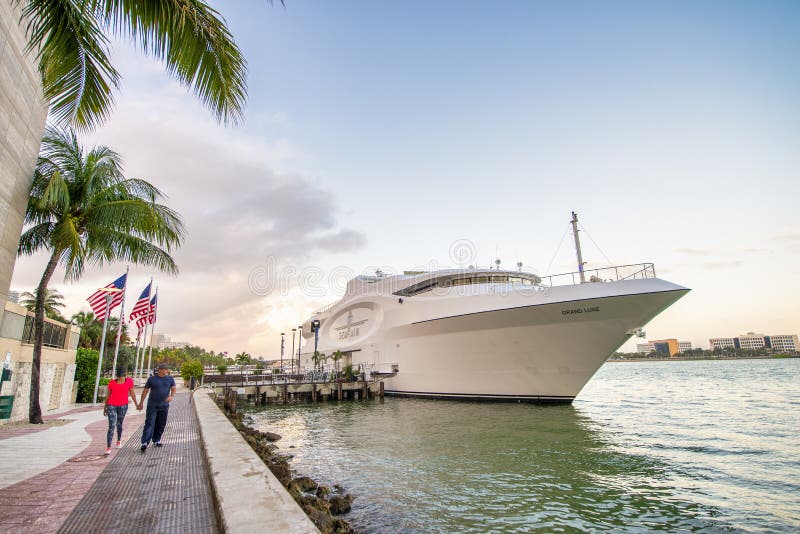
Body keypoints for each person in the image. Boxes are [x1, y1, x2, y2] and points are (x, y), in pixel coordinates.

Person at [137, 362, 176, 452]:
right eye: (165, 369)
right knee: (150, 423)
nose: (166, 371)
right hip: (152, 405)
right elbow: (145, 391)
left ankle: (156, 440)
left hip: (164, 406)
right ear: (160, 370)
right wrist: (141, 403)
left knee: (161, 423)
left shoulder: (170, 379)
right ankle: (144, 442)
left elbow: (174, 389)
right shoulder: (152, 379)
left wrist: (171, 396)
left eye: (167, 369)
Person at [103, 368, 137, 455]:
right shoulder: (112, 383)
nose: (121, 378)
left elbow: (132, 392)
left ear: (125, 375)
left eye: (122, 376)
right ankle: (108, 447)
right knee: (111, 425)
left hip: (123, 405)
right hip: (112, 405)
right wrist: (105, 407)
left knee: (119, 423)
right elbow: (108, 395)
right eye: (119, 376)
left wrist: (136, 404)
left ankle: (118, 440)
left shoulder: (129, 381)